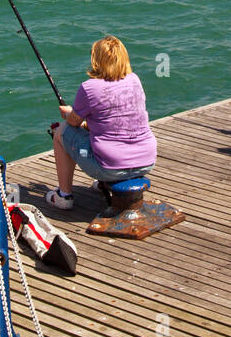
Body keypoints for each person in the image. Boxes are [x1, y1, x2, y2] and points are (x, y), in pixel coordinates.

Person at [46, 35, 157, 209]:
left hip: (110, 167)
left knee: (61, 132)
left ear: (96, 60)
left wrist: (68, 113)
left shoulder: (89, 87)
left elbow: (74, 123)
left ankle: (64, 196)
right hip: (146, 161)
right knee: (102, 133)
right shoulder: (135, 80)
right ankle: (105, 183)